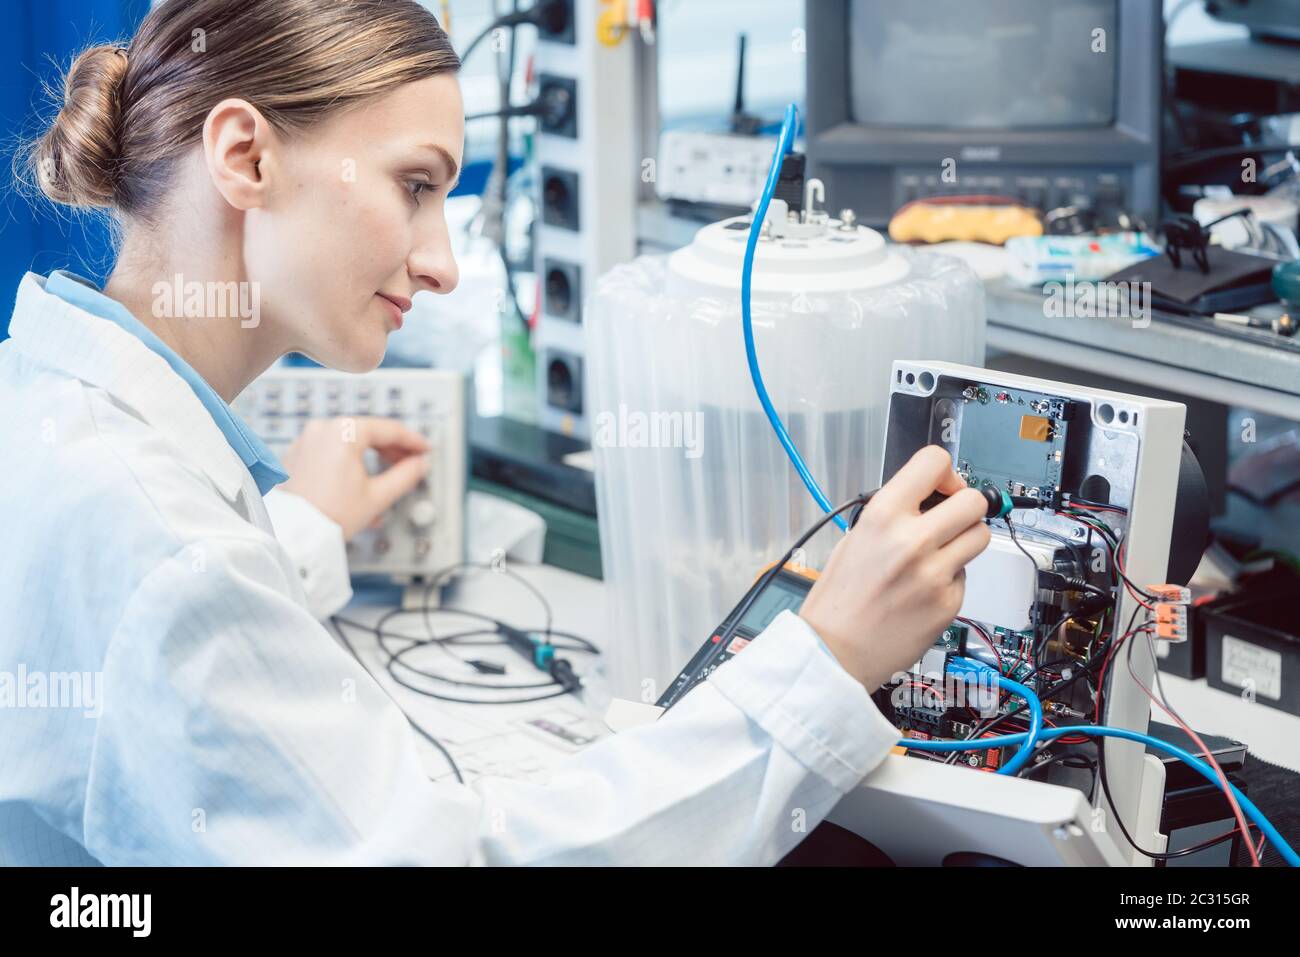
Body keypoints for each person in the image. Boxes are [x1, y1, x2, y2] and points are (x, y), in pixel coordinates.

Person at [0, 0, 991, 866]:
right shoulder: (169, 551)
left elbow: (154, 652)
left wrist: (301, 523)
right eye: (415, 185)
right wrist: (824, 659)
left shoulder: (55, 410)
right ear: (246, 156)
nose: (442, 265)